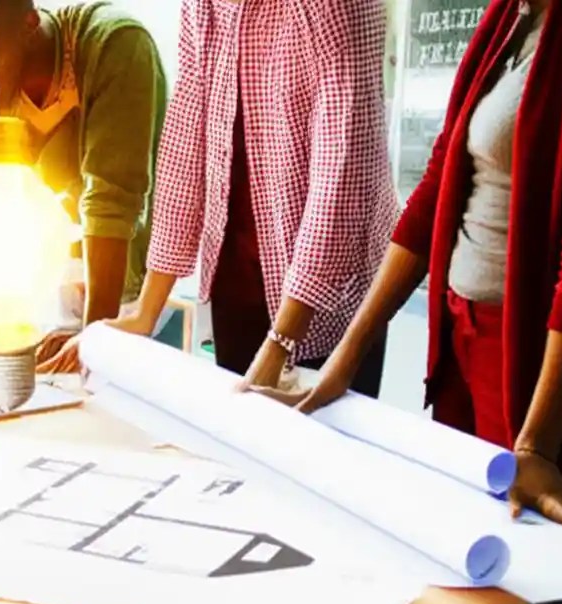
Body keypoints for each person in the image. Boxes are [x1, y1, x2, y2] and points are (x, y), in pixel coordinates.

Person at [265, 0, 562, 529]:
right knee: (458, 541)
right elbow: (437, 186)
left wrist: (539, 444)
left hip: (546, 366)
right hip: (464, 340)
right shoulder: (509, 15)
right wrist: (346, 358)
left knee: (528, 567)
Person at [45, 0, 398, 393]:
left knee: (320, 446)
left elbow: (344, 174)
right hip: (239, 283)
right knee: (236, 440)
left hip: (332, 296)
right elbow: (186, 142)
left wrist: (281, 341)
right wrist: (146, 310)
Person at [0, 0, 167, 364]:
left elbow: (110, 203)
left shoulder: (116, 46)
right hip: (72, 288)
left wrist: (93, 345)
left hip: (139, 290)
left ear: (29, 25)